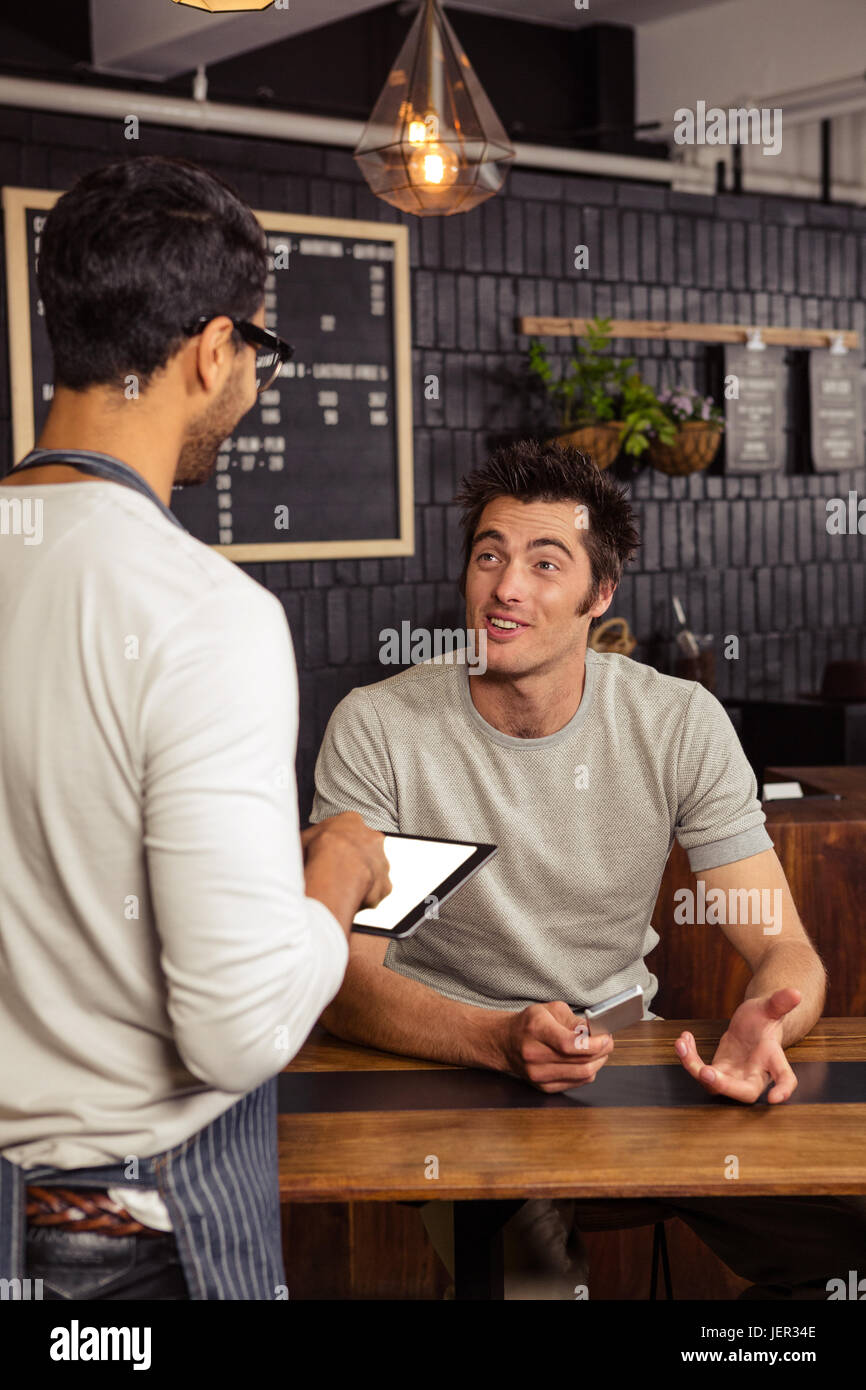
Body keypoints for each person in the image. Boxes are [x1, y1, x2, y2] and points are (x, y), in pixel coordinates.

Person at [310, 438, 866, 1300]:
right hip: (447, 1074)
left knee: (843, 1249)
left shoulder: (677, 720)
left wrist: (767, 1021)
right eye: (489, 555)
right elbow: (343, 977)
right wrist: (495, 1041)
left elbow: (784, 949)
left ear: (600, 593)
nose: (506, 586)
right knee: (536, 1290)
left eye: (544, 561)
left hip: (626, 1063)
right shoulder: (380, 727)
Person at [0, 155, 390, 1301]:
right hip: (121, 1232)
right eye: (257, 353)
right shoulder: (204, 612)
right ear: (213, 350)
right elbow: (233, 1028)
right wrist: (333, 876)